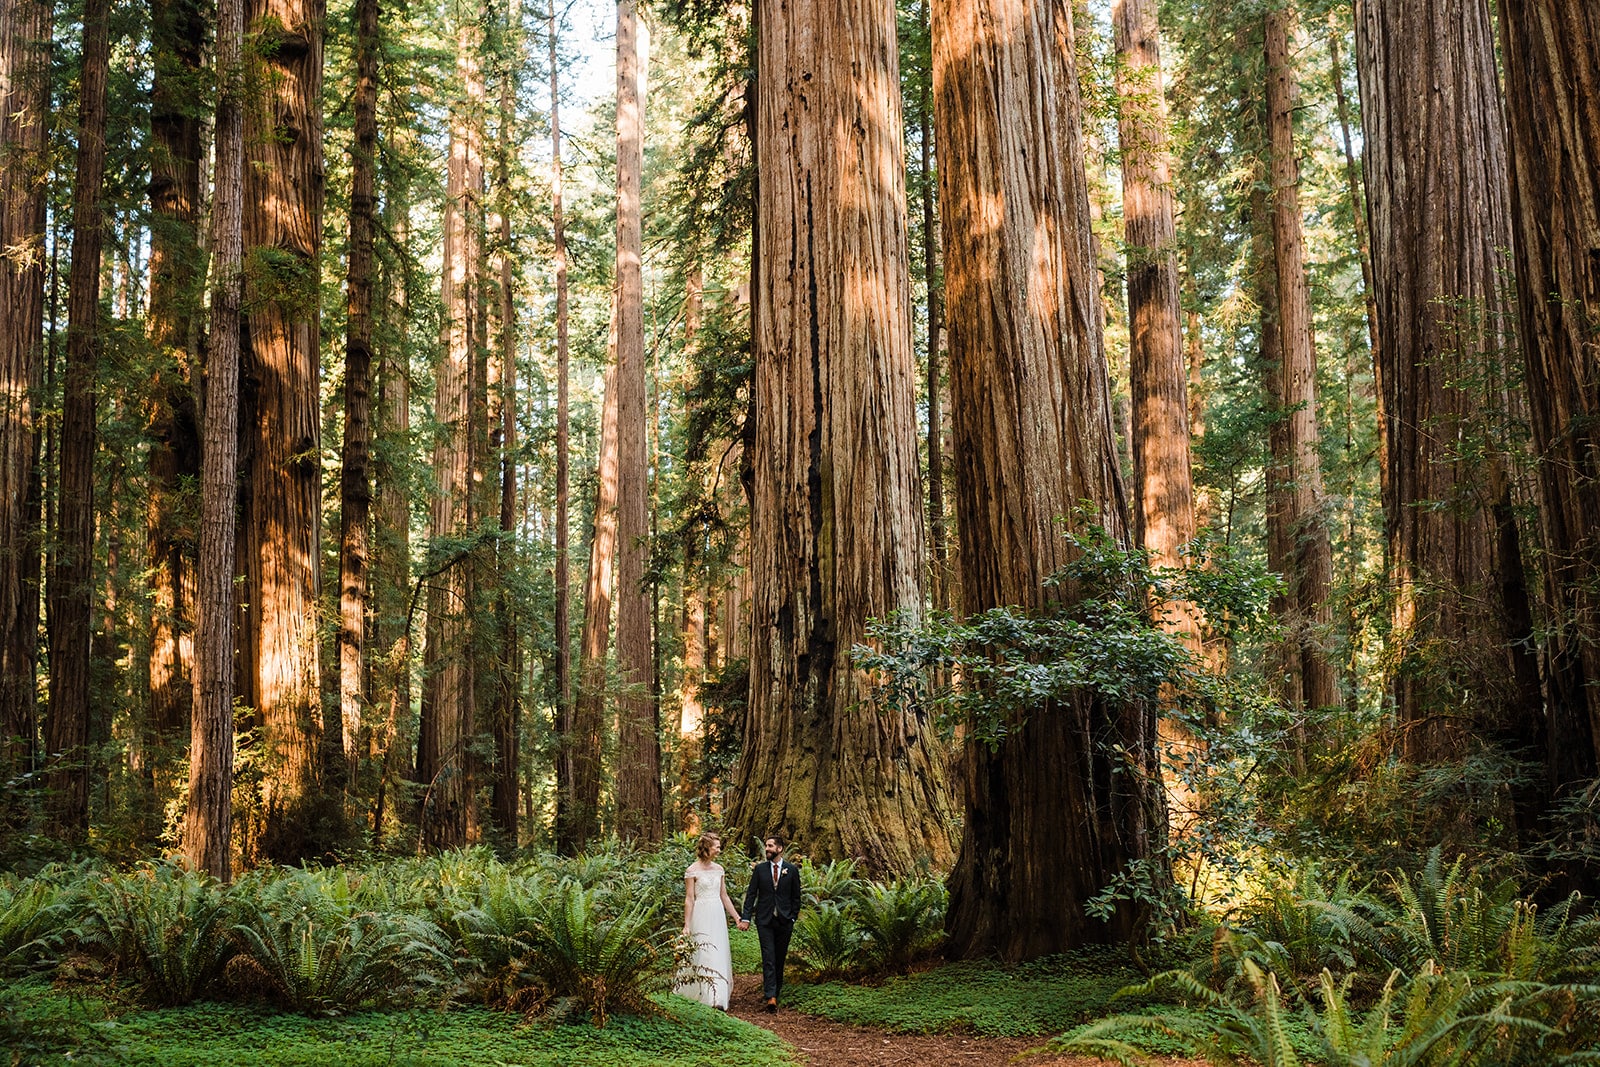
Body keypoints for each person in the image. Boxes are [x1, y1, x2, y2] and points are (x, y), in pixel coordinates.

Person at [675, 832, 742, 1009]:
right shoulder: (692, 870)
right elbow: (689, 898)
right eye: (717, 847)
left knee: (717, 951)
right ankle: (703, 993)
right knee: (704, 952)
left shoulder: (719, 869)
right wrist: (687, 924)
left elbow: (724, 896)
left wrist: (736, 917)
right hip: (701, 913)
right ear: (707, 848)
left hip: (717, 913)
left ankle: (717, 997)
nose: (719, 850)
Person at [739, 834, 802, 1013]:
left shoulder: (791, 870)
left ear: (779, 849)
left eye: (770, 846)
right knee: (768, 957)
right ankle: (771, 996)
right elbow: (752, 894)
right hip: (764, 920)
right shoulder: (760, 870)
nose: (767, 849)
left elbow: (796, 897)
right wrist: (746, 917)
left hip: (784, 920)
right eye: (766, 846)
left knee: (779, 958)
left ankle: (777, 990)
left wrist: (793, 917)